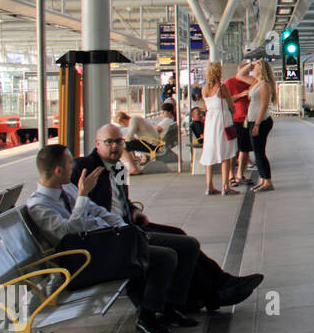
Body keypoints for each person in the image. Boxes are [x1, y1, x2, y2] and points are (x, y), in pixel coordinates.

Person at [74, 125, 263, 313]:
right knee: (181, 245)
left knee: (179, 235)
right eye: (109, 142)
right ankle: (215, 291)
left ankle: (218, 286)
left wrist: (132, 211)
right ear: (97, 144)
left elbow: (125, 200)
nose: (114, 146)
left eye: (118, 141)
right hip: (113, 235)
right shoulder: (84, 168)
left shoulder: (120, 169)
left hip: (129, 226)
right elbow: (74, 202)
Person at [24, 144, 196, 333]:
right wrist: (82, 195)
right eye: (69, 163)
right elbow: (70, 234)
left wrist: (123, 227)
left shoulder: (74, 185)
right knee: (165, 257)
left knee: (187, 245)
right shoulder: (39, 206)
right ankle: (147, 317)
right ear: (58, 170)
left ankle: (170, 307)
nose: (73, 166)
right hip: (88, 257)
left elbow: (96, 209)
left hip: (110, 239)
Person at [200, 62, 239, 196]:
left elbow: (206, 107)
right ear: (219, 72)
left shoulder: (204, 89)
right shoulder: (222, 88)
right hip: (222, 123)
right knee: (225, 154)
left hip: (210, 123)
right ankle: (225, 187)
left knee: (209, 153)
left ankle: (209, 186)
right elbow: (232, 106)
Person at [246, 59, 277, 193]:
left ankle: (268, 182)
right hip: (253, 120)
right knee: (257, 153)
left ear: (262, 69)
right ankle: (263, 180)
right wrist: (250, 64)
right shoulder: (257, 82)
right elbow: (239, 76)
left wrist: (257, 124)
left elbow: (264, 105)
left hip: (261, 122)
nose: (253, 67)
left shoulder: (264, 85)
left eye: (256, 66)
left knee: (259, 153)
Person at [224, 61, 254, 186]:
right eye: (245, 73)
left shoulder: (252, 82)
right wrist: (240, 95)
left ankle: (240, 174)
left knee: (245, 149)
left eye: (248, 73)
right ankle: (231, 175)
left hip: (248, 119)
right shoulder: (229, 83)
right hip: (235, 119)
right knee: (233, 149)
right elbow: (226, 100)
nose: (247, 76)